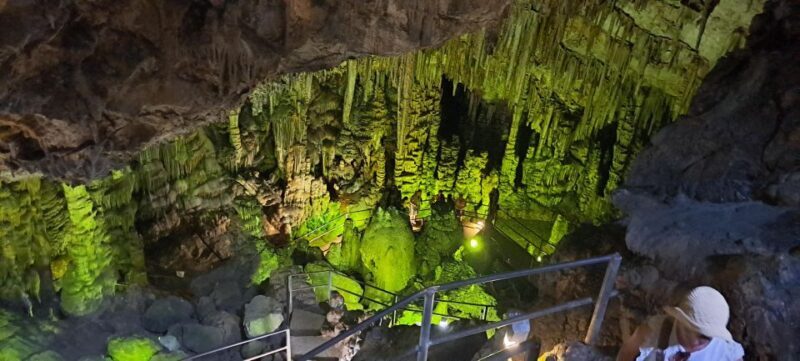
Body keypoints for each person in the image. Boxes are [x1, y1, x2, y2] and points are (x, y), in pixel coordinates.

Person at [617, 286, 744, 361]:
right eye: (689, 331)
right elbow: (626, 353)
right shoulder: (654, 330)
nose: (696, 343)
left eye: (707, 336)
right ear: (682, 322)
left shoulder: (726, 351)